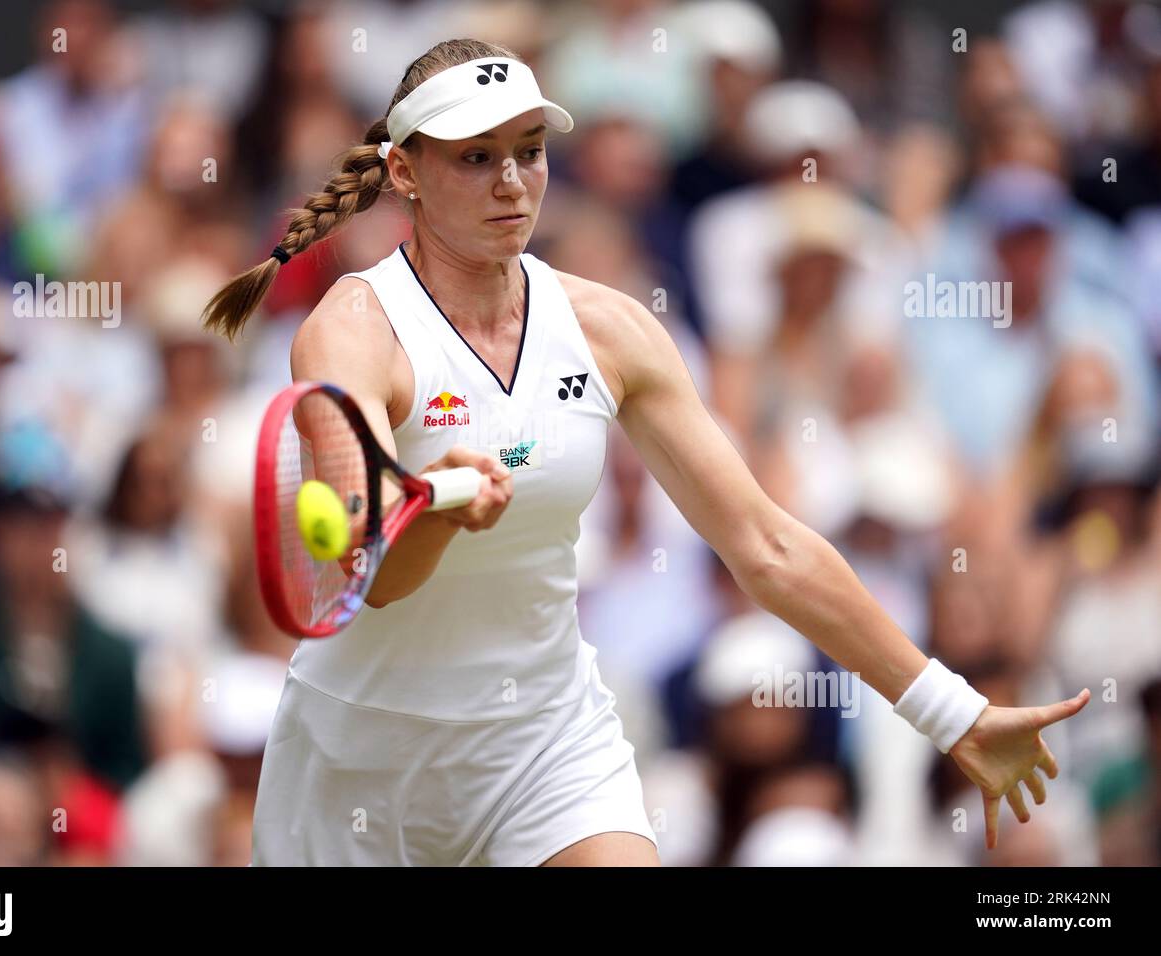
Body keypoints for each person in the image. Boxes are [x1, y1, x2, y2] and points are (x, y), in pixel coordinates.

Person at [202, 38, 1090, 867]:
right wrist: (437, 509)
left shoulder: (612, 331)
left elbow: (766, 546)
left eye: (530, 149)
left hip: (544, 744)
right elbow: (375, 577)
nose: (513, 181)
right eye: (476, 157)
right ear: (406, 172)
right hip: (361, 768)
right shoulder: (352, 331)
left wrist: (955, 713)